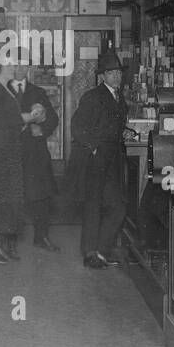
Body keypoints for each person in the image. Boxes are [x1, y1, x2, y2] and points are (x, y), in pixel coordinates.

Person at [68, 49, 132, 270]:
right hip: (94, 160)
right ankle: (90, 254)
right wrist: (93, 147)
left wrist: (123, 133)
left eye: (118, 73)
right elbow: (77, 127)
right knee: (93, 207)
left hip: (112, 159)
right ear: (102, 75)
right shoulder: (93, 97)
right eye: (111, 72)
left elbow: (112, 126)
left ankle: (103, 251)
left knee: (117, 207)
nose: (116, 76)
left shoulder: (118, 97)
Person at [0, 62, 39, 264]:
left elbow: (9, 120)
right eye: (11, 64)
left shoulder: (2, 89)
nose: (15, 68)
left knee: (3, 198)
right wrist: (29, 117)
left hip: (5, 151)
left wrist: (26, 119)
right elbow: (2, 122)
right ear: (1, 66)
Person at [12, 62, 60, 252]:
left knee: (41, 196)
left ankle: (42, 237)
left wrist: (42, 129)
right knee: (10, 195)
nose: (21, 69)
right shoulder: (2, 90)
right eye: (17, 64)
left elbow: (53, 118)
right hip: (10, 152)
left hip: (35, 152)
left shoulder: (37, 91)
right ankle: (8, 239)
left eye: (25, 65)